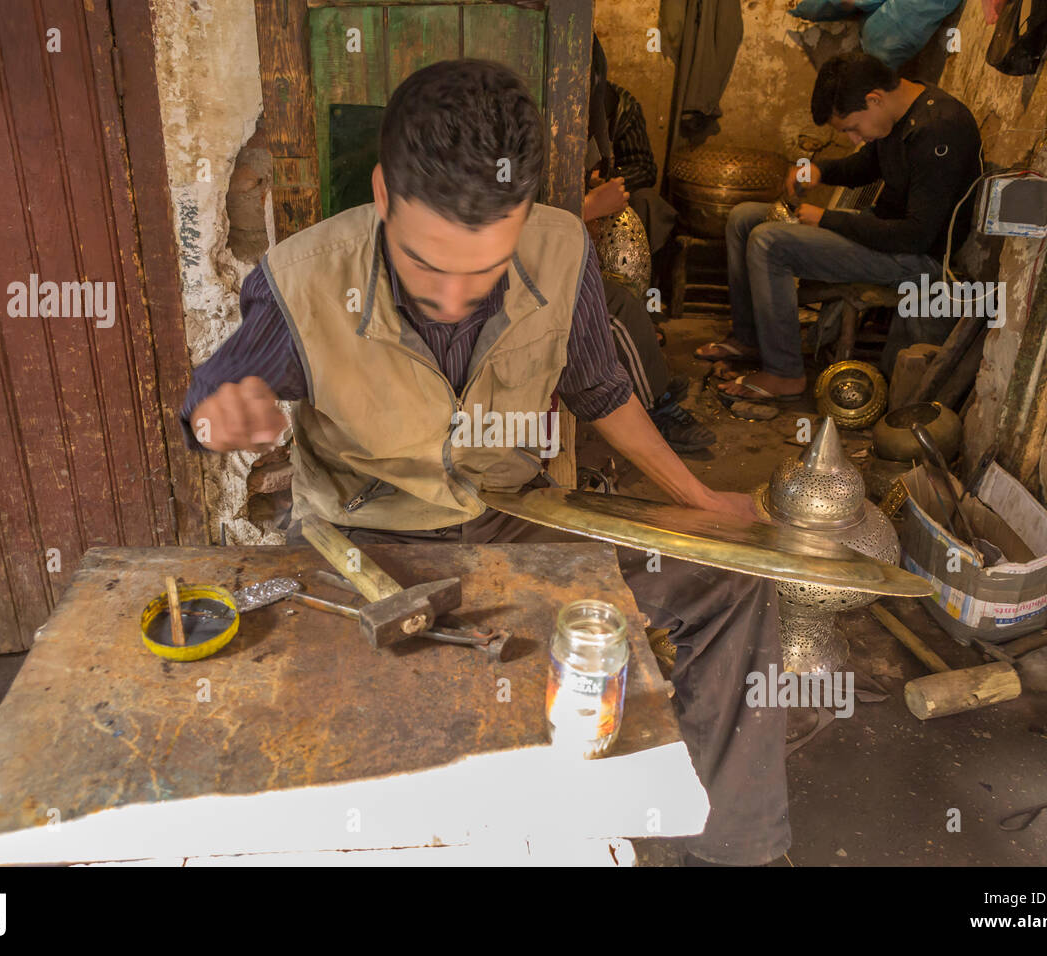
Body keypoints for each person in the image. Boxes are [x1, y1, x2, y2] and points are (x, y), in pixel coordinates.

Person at [180, 60, 790, 866]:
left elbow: (601, 390)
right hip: (365, 539)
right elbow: (212, 396)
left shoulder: (561, 246)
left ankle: (734, 848)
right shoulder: (303, 278)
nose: (458, 298)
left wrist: (699, 499)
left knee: (732, 579)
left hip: (515, 518)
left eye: (487, 270)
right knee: (323, 723)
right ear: (384, 196)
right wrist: (220, 414)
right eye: (429, 266)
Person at [706, 52, 982, 404]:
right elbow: (866, 165)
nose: (854, 138)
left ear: (874, 99)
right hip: (882, 236)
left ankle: (785, 373)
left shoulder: (940, 129)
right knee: (745, 218)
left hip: (916, 259)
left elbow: (916, 236)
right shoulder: (900, 111)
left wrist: (826, 219)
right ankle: (749, 338)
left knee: (769, 241)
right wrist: (820, 171)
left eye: (852, 127)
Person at [585, 37, 709, 453]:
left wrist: (608, 184)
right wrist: (586, 205)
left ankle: (645, 352)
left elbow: (645, 167)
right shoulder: (539, 117)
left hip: (605, 197)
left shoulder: (618, 105)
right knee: (613, 302)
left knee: (647, 207)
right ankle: (655, 404)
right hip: (551, 231)